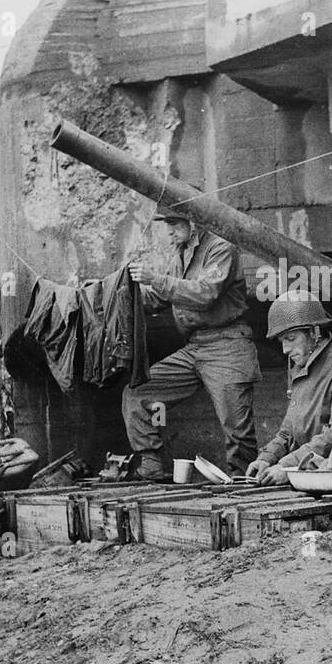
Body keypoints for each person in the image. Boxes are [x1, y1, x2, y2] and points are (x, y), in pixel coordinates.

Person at [122, 193, 260, 478]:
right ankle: (151, 464)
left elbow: (205, 293)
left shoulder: (221, 247)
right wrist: (120, 295)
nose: (169, 230)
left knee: (236, 430)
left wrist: (155, 279)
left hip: (227, 345)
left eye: (174, 222)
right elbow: (162, 298)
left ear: (192, 221)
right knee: (139, 393)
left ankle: (245, 484)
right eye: (166, 224)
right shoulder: (181, 253)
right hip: (194, 347)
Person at [245, 291, 332, 486]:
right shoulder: (300, 369)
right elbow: (288, 433)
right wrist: (266, 458)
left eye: (291, 338)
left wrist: (286, 467)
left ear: (315, 332)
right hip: (313, 473)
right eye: (282, 341)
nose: (285, 349)